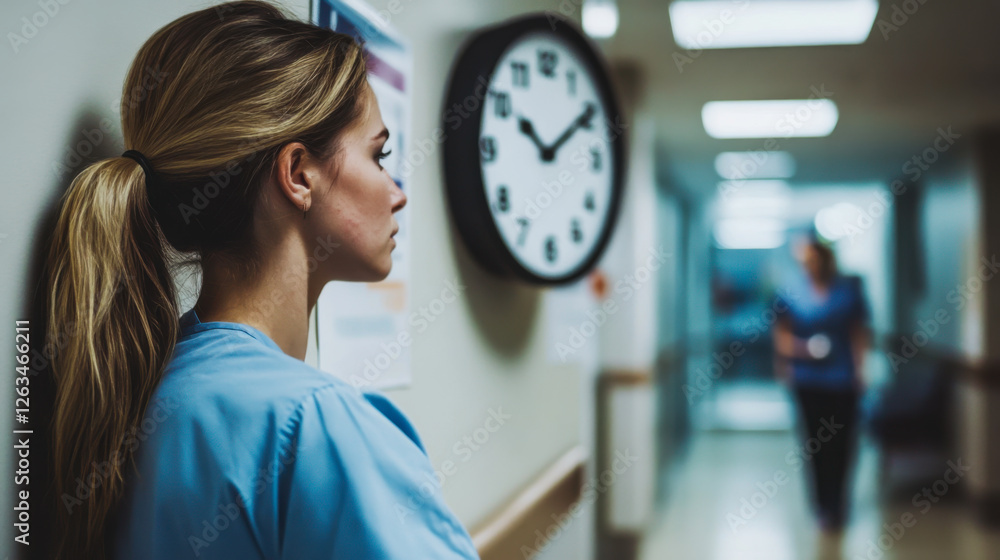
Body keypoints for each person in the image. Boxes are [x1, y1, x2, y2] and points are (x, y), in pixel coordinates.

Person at [42, 2, 479, 559]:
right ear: (299, 174)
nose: (398, 192)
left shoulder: (142, 385)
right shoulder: (313, 425)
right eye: (379, 154)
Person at [773, 234, 871, 533]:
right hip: (808, 381)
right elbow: (782, 336)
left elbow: (859, 332)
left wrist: (860, 370)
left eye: (814, 259)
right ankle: (821, 506)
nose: (810, 265)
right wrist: (804, 350)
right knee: (815, 445)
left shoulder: (849, 289)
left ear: (826, 258)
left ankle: (838, 503)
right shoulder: (791, 291)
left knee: (843, 444)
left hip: (842, 382)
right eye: (806, 261)